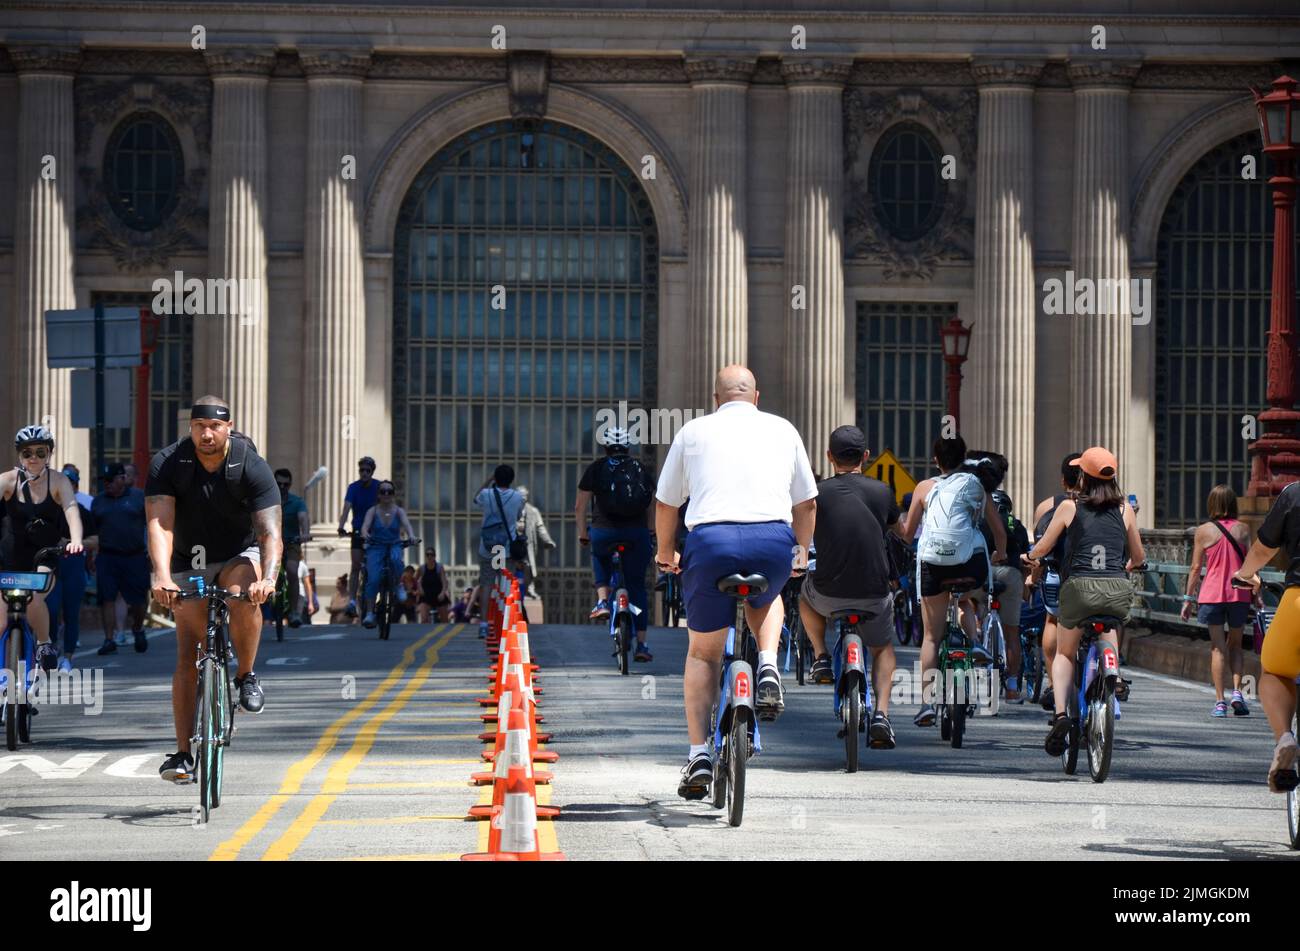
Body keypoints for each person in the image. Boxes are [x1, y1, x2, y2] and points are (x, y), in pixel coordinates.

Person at [654, 365, 817, 800]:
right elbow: (807, 503)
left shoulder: (693, 431)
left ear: (716, 398)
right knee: (772, 594)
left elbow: (666, 503)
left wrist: (666, 553)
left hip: (711, 542)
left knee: (703, 654)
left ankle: (697, 754)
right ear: (756, 396)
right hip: (771, 538)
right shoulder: (783, 429)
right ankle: (767, 663)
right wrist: (800, 552)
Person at [147, 397, 281, 783]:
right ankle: (183, 754)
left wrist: (267, 579)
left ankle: (245, 675)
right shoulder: (169, 463)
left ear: (229, 427)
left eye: (215, 426)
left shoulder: (250, 465)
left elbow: (270, 532)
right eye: (199, 426)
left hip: (238, 551)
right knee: (188, 649)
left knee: (242, 591)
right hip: (190, 557)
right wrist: (161, 575)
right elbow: (160, 523)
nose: (207, 434)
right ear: (190, 428)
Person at [1023, 447, 1144, 757]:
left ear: (1083, 477)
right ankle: (1112, 675)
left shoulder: (1070, 507)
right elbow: (1139, 556)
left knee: (1064, 653)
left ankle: (1061, 714)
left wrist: (1030, 557)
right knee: (1109, 625)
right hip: (1116, 587)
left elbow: (1043, 547)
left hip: (1078, 588)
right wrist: (1128, 567)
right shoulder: (1125, 511)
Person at [799, 425, 901, 749]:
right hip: (874, 593)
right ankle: (882, 715)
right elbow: (899, 531)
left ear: (829, 457)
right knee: (882, 647)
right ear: (866, 457)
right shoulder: (883, 491)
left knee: (804, 596)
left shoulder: (817, 493)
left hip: (828, 593)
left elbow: (802, 530)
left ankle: (820, 655)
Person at [900, 435, 1006, 728]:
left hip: (933, 564)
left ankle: (926, 704)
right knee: (967, 597)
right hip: (969, 563)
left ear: (936, 460)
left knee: (931, 637)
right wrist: (1000, 553)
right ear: (964, 458)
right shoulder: (977, 486)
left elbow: (908, 535)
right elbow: (998, 530)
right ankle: (973, 643)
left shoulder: (924, 488)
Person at [1231, 481, 1300, 791]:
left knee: (1273, 669)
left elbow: (1264, 548)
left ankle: (1284, 737)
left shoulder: (1293, 494)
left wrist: (1245, 573)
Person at [0, 425, 85, 673]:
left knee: (35, 597)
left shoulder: (59, 481)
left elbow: (72, 511)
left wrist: (76, 540)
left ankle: (44, 643)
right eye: (27, 453)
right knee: (2, 618)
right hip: (11, 553)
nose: (34, 458)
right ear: (20, 456)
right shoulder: (7, 480)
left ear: (49, 453)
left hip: (44, 554)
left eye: (40, 452)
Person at [576, 427, 657, 660]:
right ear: (628, 448)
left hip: (604, 532)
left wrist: (583, 533)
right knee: (637, 588)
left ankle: (602, 600)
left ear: (606, 447)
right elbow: (652, 504)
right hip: (637, 534)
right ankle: (642, 646)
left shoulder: (596, 468)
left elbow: (579, 506)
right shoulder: (640, 469)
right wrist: (651, 531)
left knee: (598, 554)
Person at [1182, 484, 1252, 718]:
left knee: (1217, 648)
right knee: (1236, 645)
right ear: (1233, 504)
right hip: (1239, 594)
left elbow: (1195, 568)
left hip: (1211, 595)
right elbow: (1251, 566)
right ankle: (1238, 694)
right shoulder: (1244, 530)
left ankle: (1220, 702)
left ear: (1211, 504)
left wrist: (1187, 599)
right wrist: (1258, 595)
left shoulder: (1202, 531)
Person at [966, 452, 1031, 702]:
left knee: (969, 602)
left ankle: (978, 632)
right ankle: (1013, 687)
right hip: (1011, 574)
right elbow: (1027, 557)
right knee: (1012, 632)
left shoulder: (977, 518)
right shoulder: (1015, 524)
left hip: (981, 574)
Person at [1028, 453, 1082, 712]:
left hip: (1056, 575)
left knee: (1052, 620)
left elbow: (1041, 546)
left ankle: (1054, 682)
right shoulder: (1103, 505)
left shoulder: (1047, 506)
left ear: (1063, 480)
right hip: (1092, 579)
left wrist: (1032, 570)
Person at [91, 462, 150, 656]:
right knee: (107, 598)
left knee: (139, 600)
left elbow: (152, 525)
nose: (106, 484)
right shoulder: (98, 501)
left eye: (110, 480)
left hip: (135, 556)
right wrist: (91, 555)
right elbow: (93, 532)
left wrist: (154, 553)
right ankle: (109, 639)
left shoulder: (139, 498)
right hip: (107, 557)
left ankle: (138, 628)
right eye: (104, 481)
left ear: (122, 479)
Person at [46, 463, 95, 671]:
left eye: (71, 483)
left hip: (73, 564)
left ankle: (67, 657)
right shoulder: (47, 510)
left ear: (75, 486)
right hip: (51, 565)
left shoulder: (82, 511)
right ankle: (49, 650)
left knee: (71, 611)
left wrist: (75, 543)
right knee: (51, 609)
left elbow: (96, 539)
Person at [473, 465, 525, 638]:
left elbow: (475, 499)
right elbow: (518, 517)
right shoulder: (518, 497)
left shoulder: (487, 494)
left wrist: (489, 480)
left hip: (488, 547)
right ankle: (507, 623)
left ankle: (483, 624)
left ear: (496, 478)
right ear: (511, 479)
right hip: (506, 548)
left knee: (486, 584)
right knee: (507, 583)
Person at [359, 479, 415, 629]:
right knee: (374, 578)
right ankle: (370, 613)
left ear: (393, 494)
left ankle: (398, 585)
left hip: (394, 544)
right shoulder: (373, 511)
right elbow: (365, 527)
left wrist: (411, 536)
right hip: (376, 546)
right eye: (383, 491)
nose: (386, 494)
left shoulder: (398, 511)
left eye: (389, 491)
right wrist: (365, 534)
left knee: (397, 561)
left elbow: (407, 525)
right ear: (378, 494)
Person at [336, 456, 379, 616]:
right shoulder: (353, 488)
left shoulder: (378, 487)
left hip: (374, 533)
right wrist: (341, 527)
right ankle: (352, 601)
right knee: (355, 566)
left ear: (372, 472)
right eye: (362, 470)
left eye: (368, 471)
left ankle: (374, 600)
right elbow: (346, 509)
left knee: (374, 568)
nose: (364, 473)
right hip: (357, 531)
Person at [275, 469, 312, 627]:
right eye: (279, 484)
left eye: (286, 484)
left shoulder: (297, 502)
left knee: (291, 571)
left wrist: (305, 533)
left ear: (290, 485)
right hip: (273, 543)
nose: (282, 487)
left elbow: (303, 518)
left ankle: (295, 612)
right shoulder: (268, 501)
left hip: (291, 543)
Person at [515, 486, 556, 600]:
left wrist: (548, 540)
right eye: (520, 495)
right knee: (512, 566)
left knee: (528, 567)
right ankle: (511, 590)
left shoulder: (533, 511)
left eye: (525, 495)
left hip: (527, 544)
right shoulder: (510, 509)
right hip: (513, 544)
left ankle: (529, 589)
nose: (523, 498)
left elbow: (540, 527)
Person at [416, 547, 451, 623]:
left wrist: (442, 593)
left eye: (431, 555)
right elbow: (414, 580)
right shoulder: (421, 568)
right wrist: (419, 588)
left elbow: (444, 582)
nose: (429, 557)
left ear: (434, 556)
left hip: (438, 594)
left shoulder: (439, 567)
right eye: (427, 555)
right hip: (426, 595)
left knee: (445, 620)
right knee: (424, 619)